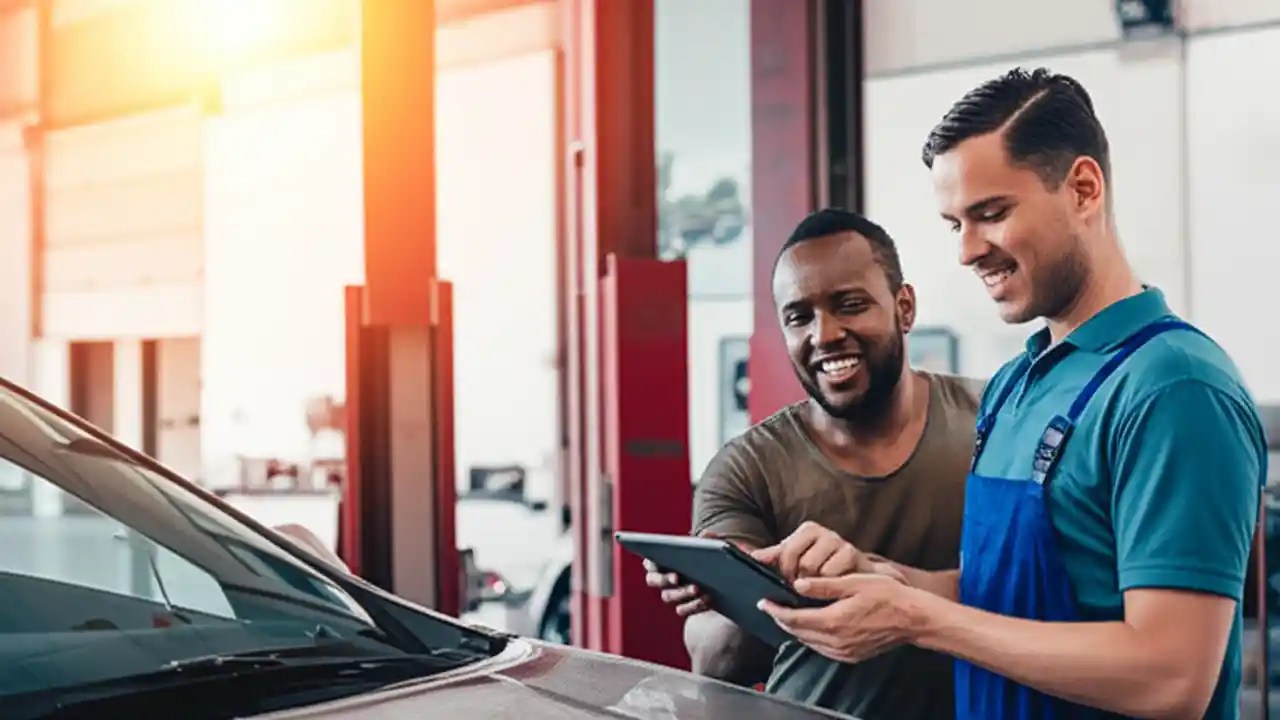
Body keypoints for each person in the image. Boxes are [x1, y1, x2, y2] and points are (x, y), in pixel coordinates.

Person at [757, 67, 1267, 720]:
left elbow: (1171, 677)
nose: (968, 251)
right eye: (954, 224)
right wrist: (885, 580)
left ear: (1083, 189)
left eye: (991, 214)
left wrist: (919, 620)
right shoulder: (1013, 386)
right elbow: (1002, 591)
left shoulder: (1174, 389)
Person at [645, 208, 984, 719]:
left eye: (849, 305)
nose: (824, 334)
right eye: (798, 317)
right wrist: (738, 589)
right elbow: (715, 659)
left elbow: (1036, 592)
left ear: (904, 308)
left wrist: (873, 576)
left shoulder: (996, 422)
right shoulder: (745, 468)